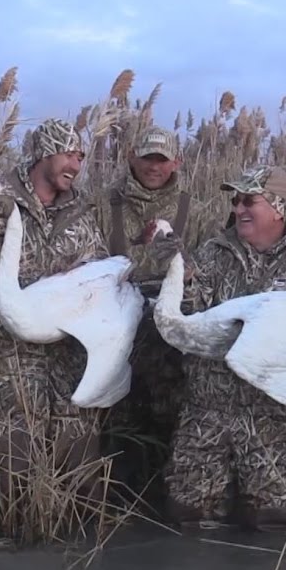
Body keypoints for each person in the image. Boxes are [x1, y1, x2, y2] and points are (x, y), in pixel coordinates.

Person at [152, 165, 286, 531]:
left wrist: (278, 356)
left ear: (279, 208)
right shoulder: (211, 255)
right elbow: (189, 323)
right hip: (208, 413)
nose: (238, 208)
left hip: (276, 420)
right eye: (236, 200)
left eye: (249, 201)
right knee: (186, 519)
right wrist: (181, 276)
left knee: (275, 525)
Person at [0, 118, 112, 526]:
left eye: (81, 156)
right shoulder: (0, 200)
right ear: (44, 153)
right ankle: (5, 541)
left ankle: (78, 539)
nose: (77, 164)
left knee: (77, 447)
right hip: (9, 353)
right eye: (69, 154)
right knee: (9, 448)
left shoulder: (82, 210)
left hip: (68, 353)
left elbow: (98, 274)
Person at [99, 125, 197, 505]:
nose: (154, 167)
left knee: (169, 411)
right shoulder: (107, 203)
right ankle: (117, 500)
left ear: (177, 161)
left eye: (162, 159)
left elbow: (205, 268)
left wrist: (185, 271)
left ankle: (162, 499)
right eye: (147, 158)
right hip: (117, 325)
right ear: (131, 157)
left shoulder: (193, 206)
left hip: (169, 328)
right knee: (117, 414)